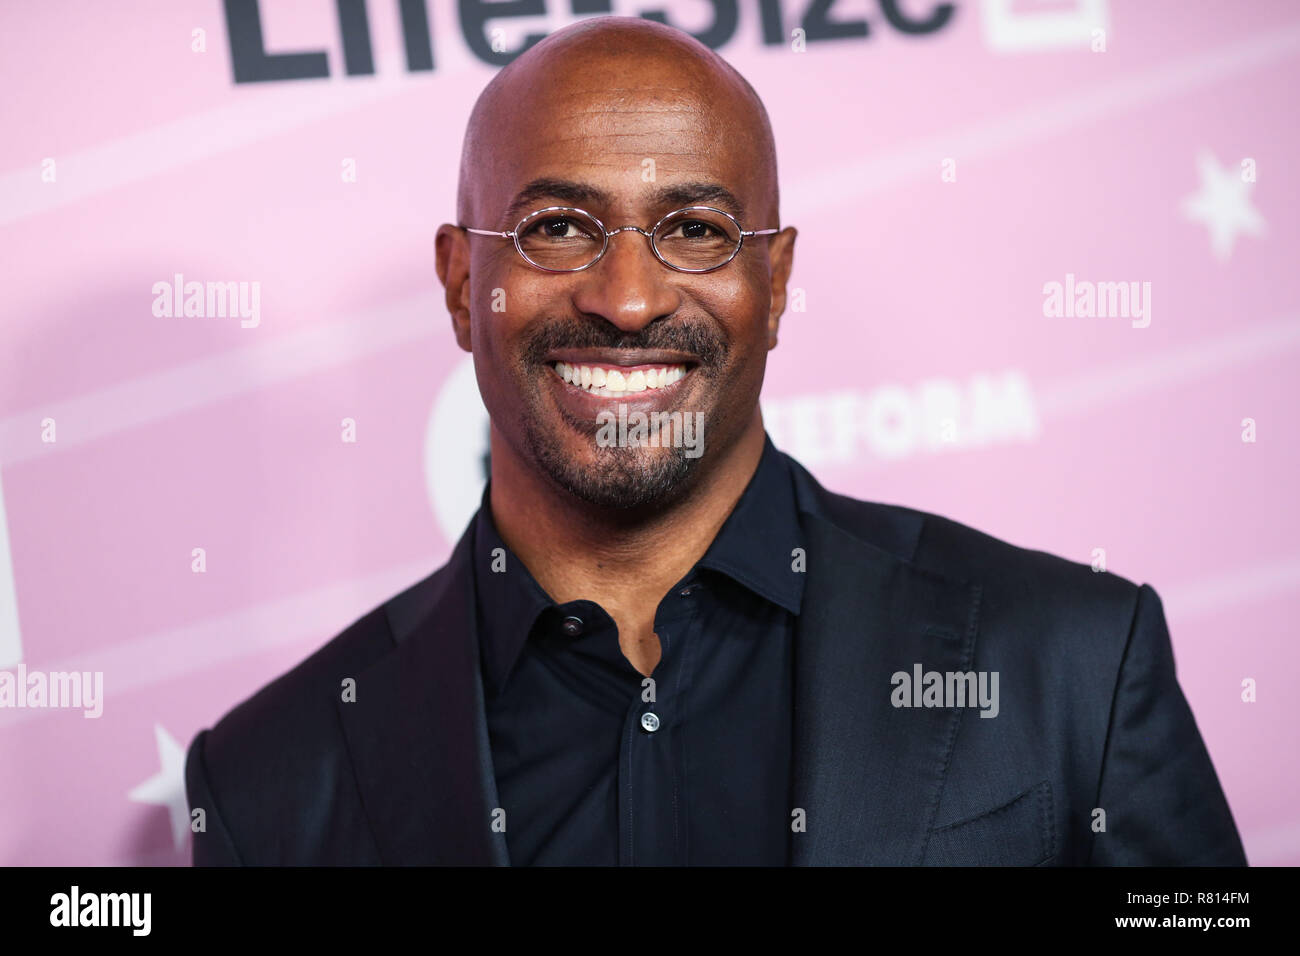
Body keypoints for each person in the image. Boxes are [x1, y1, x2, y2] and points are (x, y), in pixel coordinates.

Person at [185, 16, 1246, 866]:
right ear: (465, 283)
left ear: (772, 284)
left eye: (693, 228)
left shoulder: (1069, 662)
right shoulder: (271, 779)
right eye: (559, 226)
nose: (630, 299)